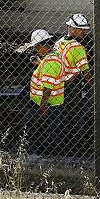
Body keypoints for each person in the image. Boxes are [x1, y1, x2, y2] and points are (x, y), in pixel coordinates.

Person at [17, 29, 65, 157]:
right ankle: (50, 152)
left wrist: (43, 106)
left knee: (48, 130)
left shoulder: (50, 61)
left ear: (41, 46)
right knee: (51, 128)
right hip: (50, 102)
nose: (36, 50)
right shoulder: (52, 56)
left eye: (36, 47)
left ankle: (50, 154)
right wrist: (39, 62)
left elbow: (48, 87)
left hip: (47, 103)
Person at [56, 13, 93, 157]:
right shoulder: (78, 48)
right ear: (72, 29)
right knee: (76, 117)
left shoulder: (58, 43)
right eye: (81, 29)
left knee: (60, 117)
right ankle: (77, 148)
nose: (84, 32)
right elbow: (85, 73)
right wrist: (93, 86)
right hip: (72, 87)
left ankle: (59, 148)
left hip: (58, 85)